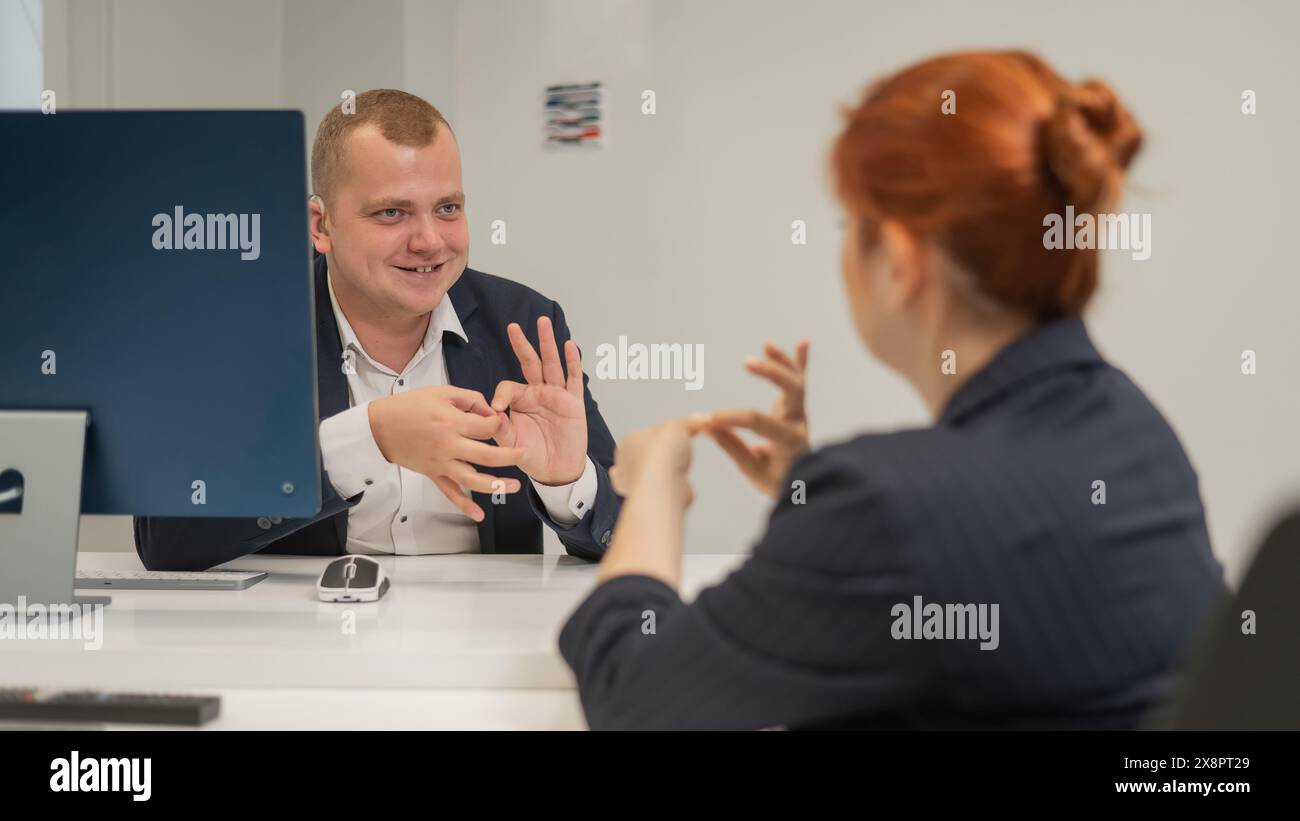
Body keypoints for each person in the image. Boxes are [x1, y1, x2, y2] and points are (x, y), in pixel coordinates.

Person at [559, 51, 1226, 730]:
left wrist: (652, 494)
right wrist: (807, 490)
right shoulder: (1140, 438)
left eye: (852, 228)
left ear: (902, 262)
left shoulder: (888, 507)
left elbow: (634, 697)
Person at [136, 90, 620, 570]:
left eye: (447, 208)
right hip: (295, 636)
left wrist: (568, 483)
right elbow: (166, 536)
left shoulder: (523, 322)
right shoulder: (233, 326)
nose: (429, 241)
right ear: (321, 225)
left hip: (482, 636)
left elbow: (632, 535)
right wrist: (365, 441)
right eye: (392, 212)